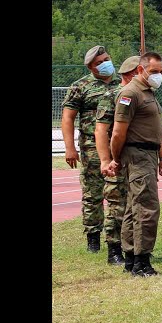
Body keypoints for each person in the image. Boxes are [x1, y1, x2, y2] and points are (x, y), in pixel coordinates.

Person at [107, 51, 162, 276]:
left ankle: (132, 259)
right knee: (146, 208)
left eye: (161, 71)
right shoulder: (130, 93)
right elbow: (117, 133)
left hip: (149, 154)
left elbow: (154, 129)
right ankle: (141, 262)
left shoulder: (147, 91)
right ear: (140, 70)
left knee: (135, 207)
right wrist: (116, 159)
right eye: (154, 71)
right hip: (137, 155)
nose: (158, 75)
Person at [61, 44, 120, 253]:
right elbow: (68, 118)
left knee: (119, 192)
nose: (105, 64)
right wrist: (70, 148)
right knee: (93, 193)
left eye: (107, 59)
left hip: (119, 146)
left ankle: (118, 238)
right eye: (99, 63)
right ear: (91, 67)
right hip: (91, 147)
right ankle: (93, 237)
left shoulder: (123, 83)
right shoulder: (81, 86)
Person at [94, 56, 140, 270]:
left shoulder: (142, 94)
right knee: (117, 203)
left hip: (138, 158)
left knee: (137, 204)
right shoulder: (112, 95)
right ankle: (114, 250)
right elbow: (101, 130)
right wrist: (106, 160)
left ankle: (134, 248)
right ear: (132, 73)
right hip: (118, 159)